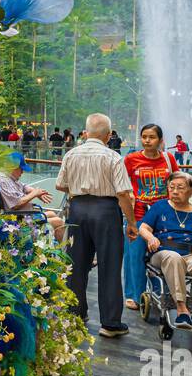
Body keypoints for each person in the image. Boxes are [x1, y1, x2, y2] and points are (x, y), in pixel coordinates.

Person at [55, 113, 137, 338]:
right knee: (109, 266)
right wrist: (131, 223)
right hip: (106, 211)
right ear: (109, 135)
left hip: (78, 210)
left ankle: (76, 315)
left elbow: (60, 185)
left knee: (76, 265)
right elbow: (122, 193)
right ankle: (110, 323)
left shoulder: (71, 154)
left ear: (85, 132)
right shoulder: (113, 157)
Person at [139, 172, 192, 331]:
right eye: (171, 187)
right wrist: (150, 238)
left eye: (180, 188)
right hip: (164, 253)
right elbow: (143, 228)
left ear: (191, 191)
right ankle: (182, 310)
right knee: (173, 257)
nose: (175, 191)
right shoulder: (160, 206)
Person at [121, 123, 178, 313]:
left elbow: (177, 182)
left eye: (151, 137)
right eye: (144, 136)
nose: (147, 141)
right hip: (137, 214)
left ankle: (157, 293)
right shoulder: (131, 159)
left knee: (159, 255)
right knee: (134, 256)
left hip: (163, 217)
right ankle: (133, 295)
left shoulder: (168, 159)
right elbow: (121, 183)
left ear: (160, 140)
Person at [0, 151, 64, 239]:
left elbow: (23, 186)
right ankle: (57, 250)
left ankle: (54, 247)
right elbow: (16, 204)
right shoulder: (2, 180)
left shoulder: (9, 178)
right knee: (59, 222)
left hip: (25, 215)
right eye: (21, 169)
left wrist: (37, 192)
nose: (22, 172)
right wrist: (34, 193)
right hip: (19, 220)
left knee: (52, 213)